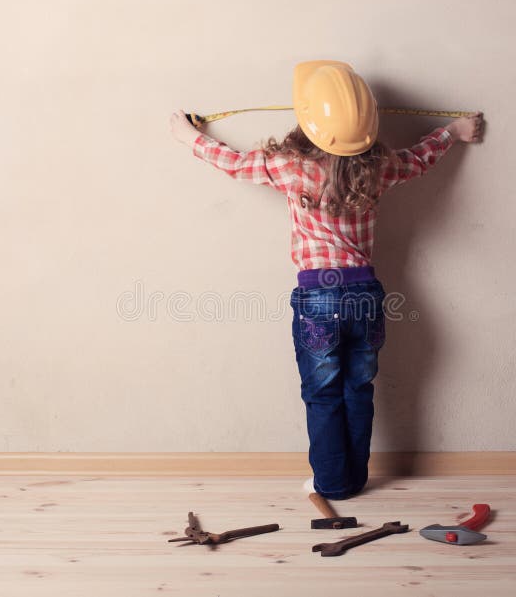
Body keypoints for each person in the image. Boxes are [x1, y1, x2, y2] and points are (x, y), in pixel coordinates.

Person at [170, 60, 483, 500]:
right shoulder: (378, 168)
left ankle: (332, 483)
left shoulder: (290, 166)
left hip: (319, 295)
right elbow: (418, 159)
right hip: (366, 296)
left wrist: (189, 136)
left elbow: (235, 163)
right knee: (358, 389)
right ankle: (352, 480)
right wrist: (453, 133)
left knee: (322, 394)